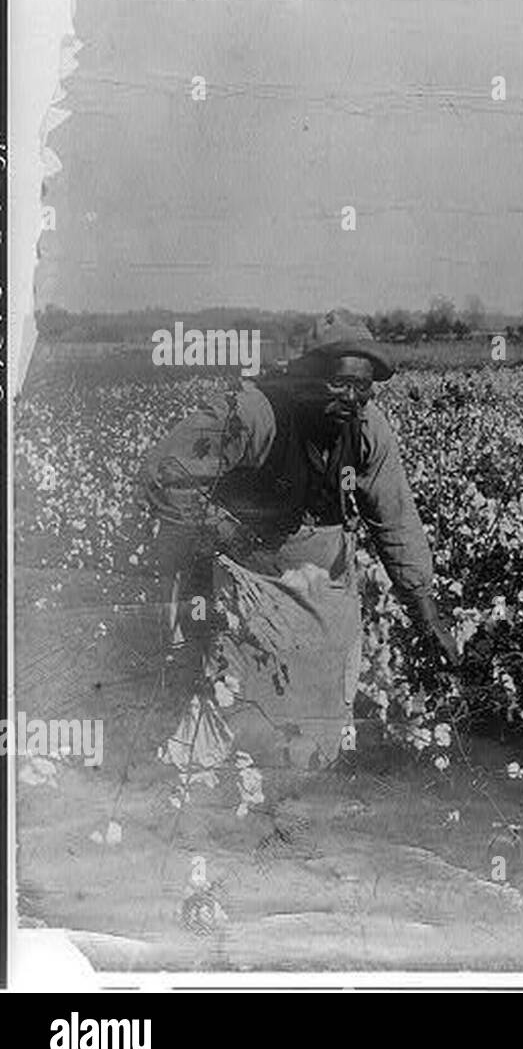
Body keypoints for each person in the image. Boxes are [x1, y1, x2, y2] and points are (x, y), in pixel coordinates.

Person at [141, 309, 460, 778]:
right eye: (339, 383)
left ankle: (294, 800)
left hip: (322, 596)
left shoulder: (367, 429)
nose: (352, 398)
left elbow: (395, 519)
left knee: (315, 715)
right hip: (245, 585)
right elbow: (166, 473)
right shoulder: (254, 413)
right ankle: (194, 803)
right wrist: (222, 529)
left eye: (363, 388)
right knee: (231, 694)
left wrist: (425, 611)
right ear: (308, 375)